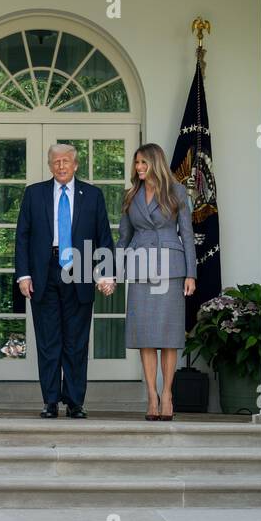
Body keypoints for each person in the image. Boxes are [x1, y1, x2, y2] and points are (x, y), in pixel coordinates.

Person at [15, 143, 115, 418]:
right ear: (50, 165)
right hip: (44, 271)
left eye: (66, 161)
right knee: (48, 341)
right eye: (56, 161)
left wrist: (105, 273)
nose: (61, 166)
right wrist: (23, 274)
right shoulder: (34, 194)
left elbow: (103, 237)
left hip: (80, 269)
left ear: (76, 165)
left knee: (76, 342)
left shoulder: (93, 195)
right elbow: (22, 235)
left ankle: (74, 402)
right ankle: (49, 401)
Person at [117, 143, 196, 421]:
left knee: (169, 336)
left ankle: (168, 394)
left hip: (171, 268)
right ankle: (152, 396)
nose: (138, 167)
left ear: (155, 163)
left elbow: (187, 234)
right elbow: (123, 239)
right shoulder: (130, 196)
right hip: (140, 269)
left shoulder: (176, 192)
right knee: (146, 337)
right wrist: (115, 272)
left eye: (143, 163)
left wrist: (191, 273)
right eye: (136, 163)